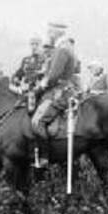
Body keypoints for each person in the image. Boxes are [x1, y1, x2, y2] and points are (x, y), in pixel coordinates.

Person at [30, 22, 77, 165]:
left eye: (50, 32)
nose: (48, 35)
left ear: (57, 33)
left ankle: (44, 158)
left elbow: (54, 76)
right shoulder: (65, 47)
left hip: (59, 92)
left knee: (37, 121)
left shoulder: (62, 49)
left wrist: (39, 87)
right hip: (60, 89)